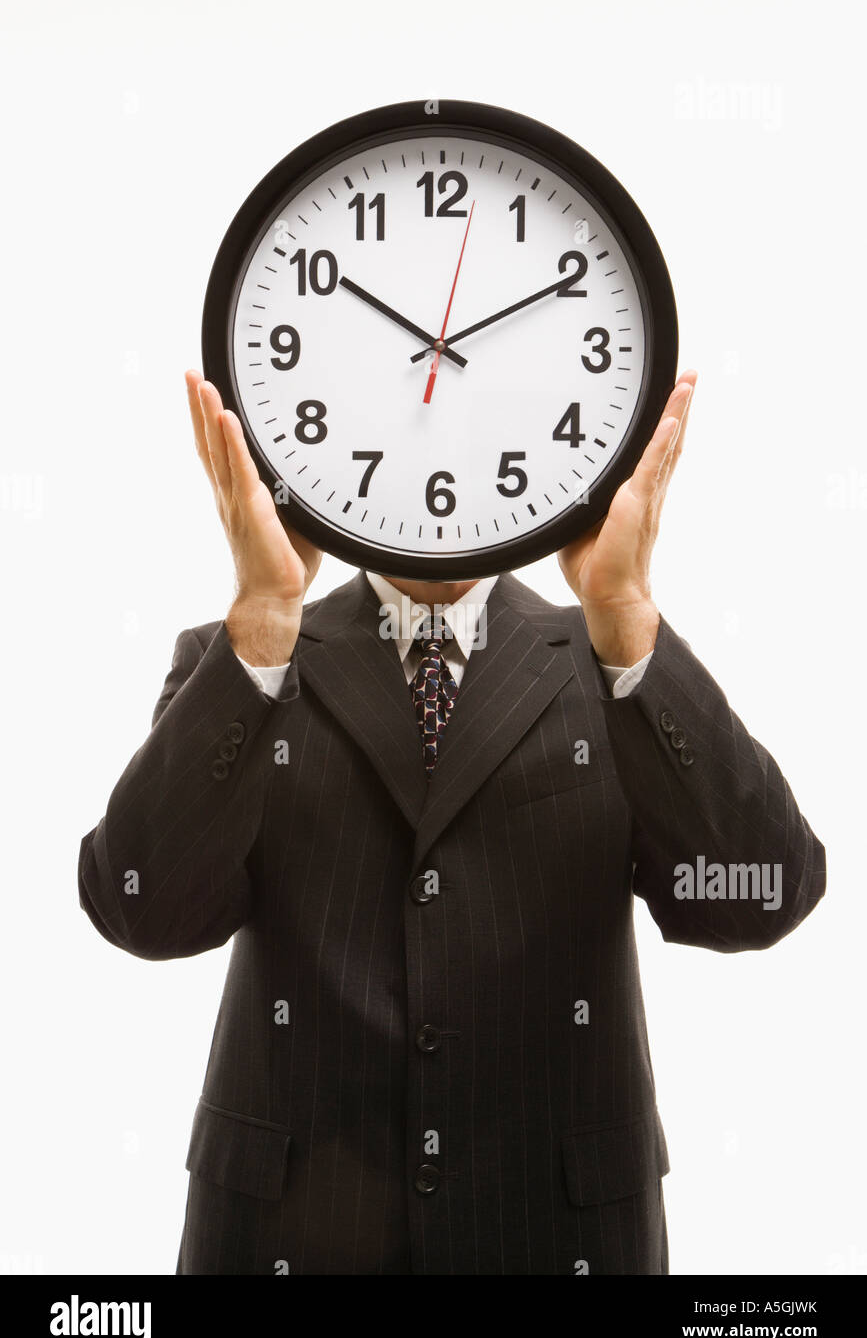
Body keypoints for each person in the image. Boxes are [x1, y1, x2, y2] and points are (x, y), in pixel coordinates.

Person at [78, 367, 825, 1276]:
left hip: (556, 1238)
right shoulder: (237, 659)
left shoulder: (609, 667)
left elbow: (764, 895)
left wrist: (625, 618)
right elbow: (143, 910)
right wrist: (263, 622)